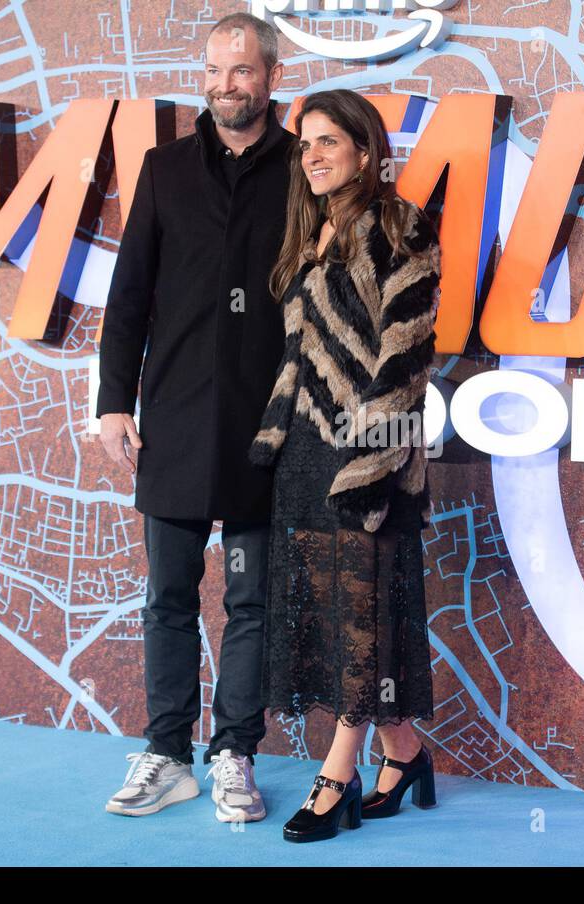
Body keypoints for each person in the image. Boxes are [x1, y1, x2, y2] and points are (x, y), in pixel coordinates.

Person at [95, 13, 294, 823]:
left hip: (266, 428)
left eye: (240, 71)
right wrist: (114, 401)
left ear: (271, 76)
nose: (223, 85)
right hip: (171, 419)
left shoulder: (303, 170)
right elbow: (129, 294)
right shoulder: (165, 168)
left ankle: (235, 756)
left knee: (250, 602)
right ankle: (169, 753)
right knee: (168, 597)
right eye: (212, 70)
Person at [248, 89, 443, 843]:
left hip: (370, 457)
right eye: (306, 144)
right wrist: (273, 441)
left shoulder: (398, 225)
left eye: (330, 141)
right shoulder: (312, 236)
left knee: (358, 621)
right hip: (305, 456)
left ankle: (339, 776)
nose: (315, 155)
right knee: (332, 619)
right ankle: (407, 757)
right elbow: (298, 360)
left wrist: (370, 461)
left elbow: (407, 354)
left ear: (365, 149)